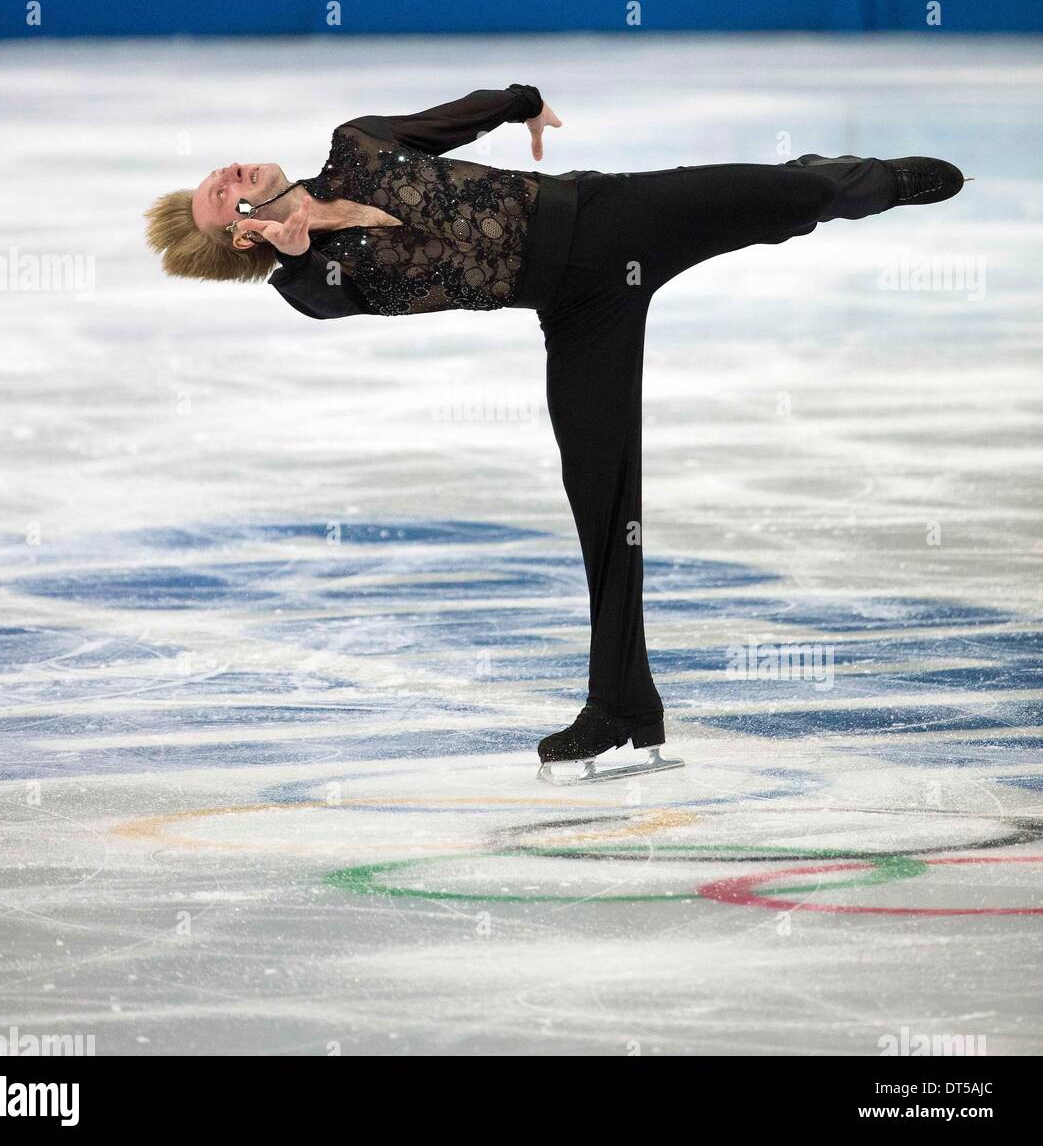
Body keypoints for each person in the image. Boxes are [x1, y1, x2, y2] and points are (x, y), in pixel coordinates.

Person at [145, 84, 965, 777]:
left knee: (781, 197)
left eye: (213, 178)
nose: (224, 176)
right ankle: (620, 704)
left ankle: (856, 180)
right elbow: (325, 298)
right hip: (577, 312)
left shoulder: (355, 144)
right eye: (218, 198)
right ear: (240, 233)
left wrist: (522, 104)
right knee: (602, 502)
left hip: (611, 216)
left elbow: (454, 119)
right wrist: (297, 254)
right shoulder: (314, 278)